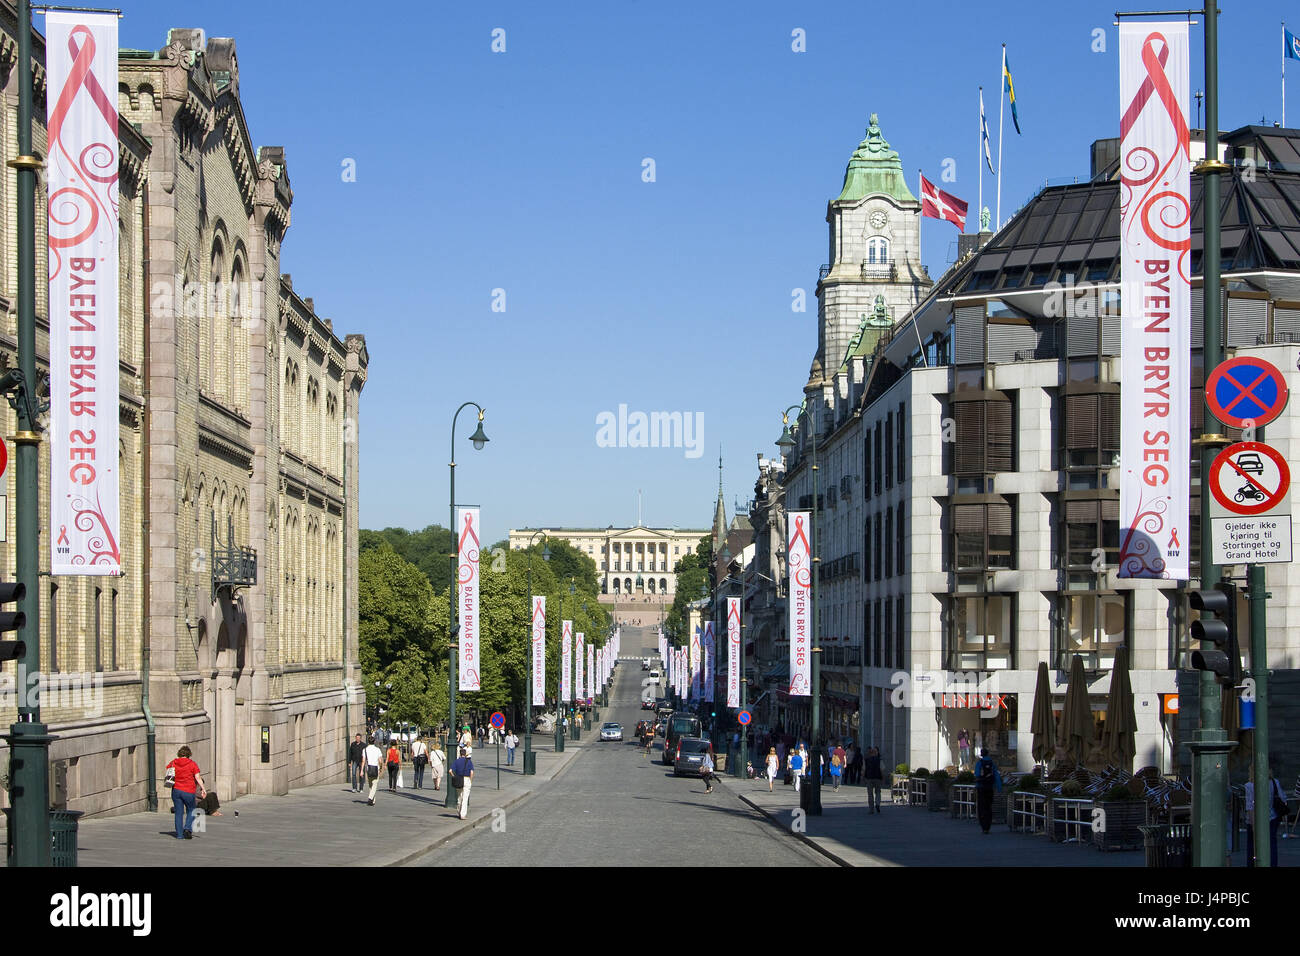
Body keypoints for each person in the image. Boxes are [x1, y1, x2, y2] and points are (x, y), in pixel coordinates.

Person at [1245, 768, 1286, 867]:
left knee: (1252, 847)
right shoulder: (1274, 782)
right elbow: (1283, 797)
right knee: (1271, 844)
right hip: (1271, 817)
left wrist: (1253, 824)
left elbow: (1250, 806)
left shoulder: (1249, 785)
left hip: (1254, 820)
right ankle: (1271, 864)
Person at [165, 746, 207, 840]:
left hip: (176, 790)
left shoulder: (173, 763)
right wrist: (203, 789)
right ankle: (187, 828)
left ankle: (179, 835)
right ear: (189, 754)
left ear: (179, 753)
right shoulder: (192, 764)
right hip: (188, 791)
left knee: (178, 813)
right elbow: (198, 778)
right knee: (192, 809)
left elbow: (168, 771)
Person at [974, 748, 1001, 834]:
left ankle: (983, 826)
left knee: (981, 806)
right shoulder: (992, 763)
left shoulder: (979, 763)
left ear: (982, 754)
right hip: (989, 787)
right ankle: (988, 825)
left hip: (981, 787)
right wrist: (999, 787)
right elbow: (996, 775)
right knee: (988, 806)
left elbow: (977, 774)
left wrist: (977, 784)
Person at [451, 746, 475, 820]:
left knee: (459, 797)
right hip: (467, 779)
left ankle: (459, 811)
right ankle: (463, 814)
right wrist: (471, 780)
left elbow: (450, 771)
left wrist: (454, 777)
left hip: (459, 779)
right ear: (466, 754)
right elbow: (471, 772)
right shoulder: (469, 761)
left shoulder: (456, 761)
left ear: (460, 754)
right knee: (465, 798)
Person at [363, 736, 384, 805]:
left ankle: (372, 800)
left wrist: (361, 770)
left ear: (368, 741)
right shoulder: (377, 749)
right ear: (374, 741)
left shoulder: (365, 750)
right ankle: (370, 798)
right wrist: (381, 768)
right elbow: (380, 760)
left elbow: (363, 761)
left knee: (370, 785)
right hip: (375, 768)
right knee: (374, 784)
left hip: (368, 768)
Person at [863, 746, 883, 813]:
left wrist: (863, 777)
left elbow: (864, 769)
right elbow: (882, 769)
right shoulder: (879, 760)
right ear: (876, 753)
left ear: (870, 753)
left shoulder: (866, 760)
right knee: (878, 792)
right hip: (877, 777)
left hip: (869, 778)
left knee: (870, 794)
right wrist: (882, 777)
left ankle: (871, 809)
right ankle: (877, 803)